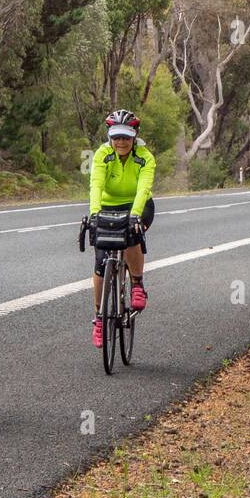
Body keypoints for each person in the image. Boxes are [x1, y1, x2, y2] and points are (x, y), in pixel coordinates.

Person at [88, 109, 156, 349]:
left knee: (132, 234)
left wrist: (135, 215)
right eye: (116, 137)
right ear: (110, 137)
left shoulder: (145, 157)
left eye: (126, 137)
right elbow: (95, 185)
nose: (121, 142)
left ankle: (137, 284)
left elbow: (143, 189)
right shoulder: (102, 154)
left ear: (134, 136)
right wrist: (95, 214)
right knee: (99, 262)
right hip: (107, 206)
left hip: (138, 206)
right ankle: (99, 318)